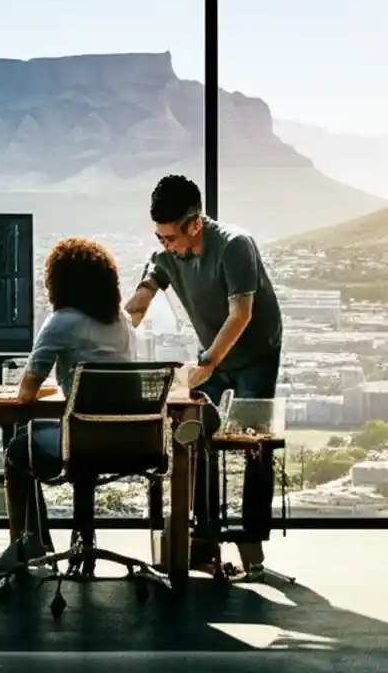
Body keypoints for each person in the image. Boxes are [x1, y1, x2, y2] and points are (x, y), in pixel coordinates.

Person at [123, 174, 283, 582]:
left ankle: (254, 557)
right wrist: (113, 328)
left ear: (194, 224)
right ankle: (204, 546)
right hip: (213, 356)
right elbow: (139, 304)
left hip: (255, 354)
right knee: (195, 437)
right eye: (159, 238)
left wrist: (207, 364)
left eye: (170, 237)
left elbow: (241, 315)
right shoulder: (166, 257)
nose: (166, 247)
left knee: (254, 447)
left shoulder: (235, 246)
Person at [4, 238, 138, 549]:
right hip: (130, 442)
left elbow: (25, 395)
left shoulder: (61, 322)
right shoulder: (123, 322)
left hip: (81, 442)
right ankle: (83, 541)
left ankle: (27, 546)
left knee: (16, 450)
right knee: (83, 437)